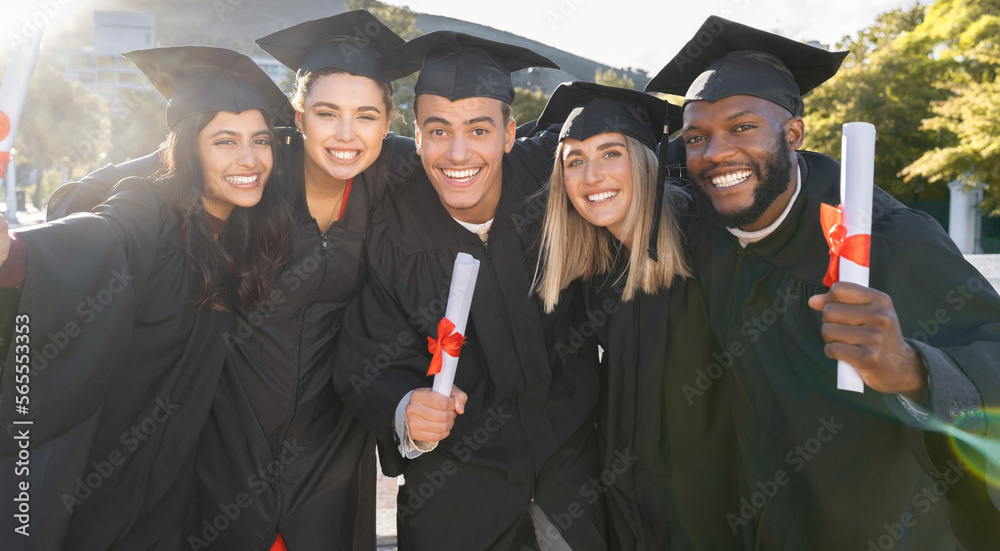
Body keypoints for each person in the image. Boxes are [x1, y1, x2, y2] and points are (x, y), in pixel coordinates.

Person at [41, 11, 421, 550]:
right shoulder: (254, 171)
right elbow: (159, 178)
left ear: (388, 122)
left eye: (365, 115)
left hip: (330, 457)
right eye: (326, 112)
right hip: (226, 453)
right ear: (297, 116)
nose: (345, 134)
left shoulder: (394, 175)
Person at [645, 16, 1000, 549]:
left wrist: (912, 368)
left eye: (743, 127)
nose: (717, 152)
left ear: (793, 134)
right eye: (697, 137)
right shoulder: (704, 223)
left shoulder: (886, 239)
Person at [0, 46, 295, 550]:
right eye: (224, 141)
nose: (249, 159)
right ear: (187, 148)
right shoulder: (149, 205)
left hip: (176, 495)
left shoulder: (253, 234)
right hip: (98, 484)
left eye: (260, 141)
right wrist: (14, 252)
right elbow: (99, 236)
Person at [332, 32, 606, 550]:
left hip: (575, 465)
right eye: (438, 130)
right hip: (456, 484)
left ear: (509, 133)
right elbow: (365, 356)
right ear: (417, 136)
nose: (458, 152)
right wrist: (405, 408)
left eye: (479, 129)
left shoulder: (557, 184)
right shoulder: (393, 226)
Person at [532, 81, 741, 550]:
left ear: (646, 160)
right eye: (575, 161)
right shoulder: (598, 273)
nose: (591, 178)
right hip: (632, 517)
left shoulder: (713, 251)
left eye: (610, 153)